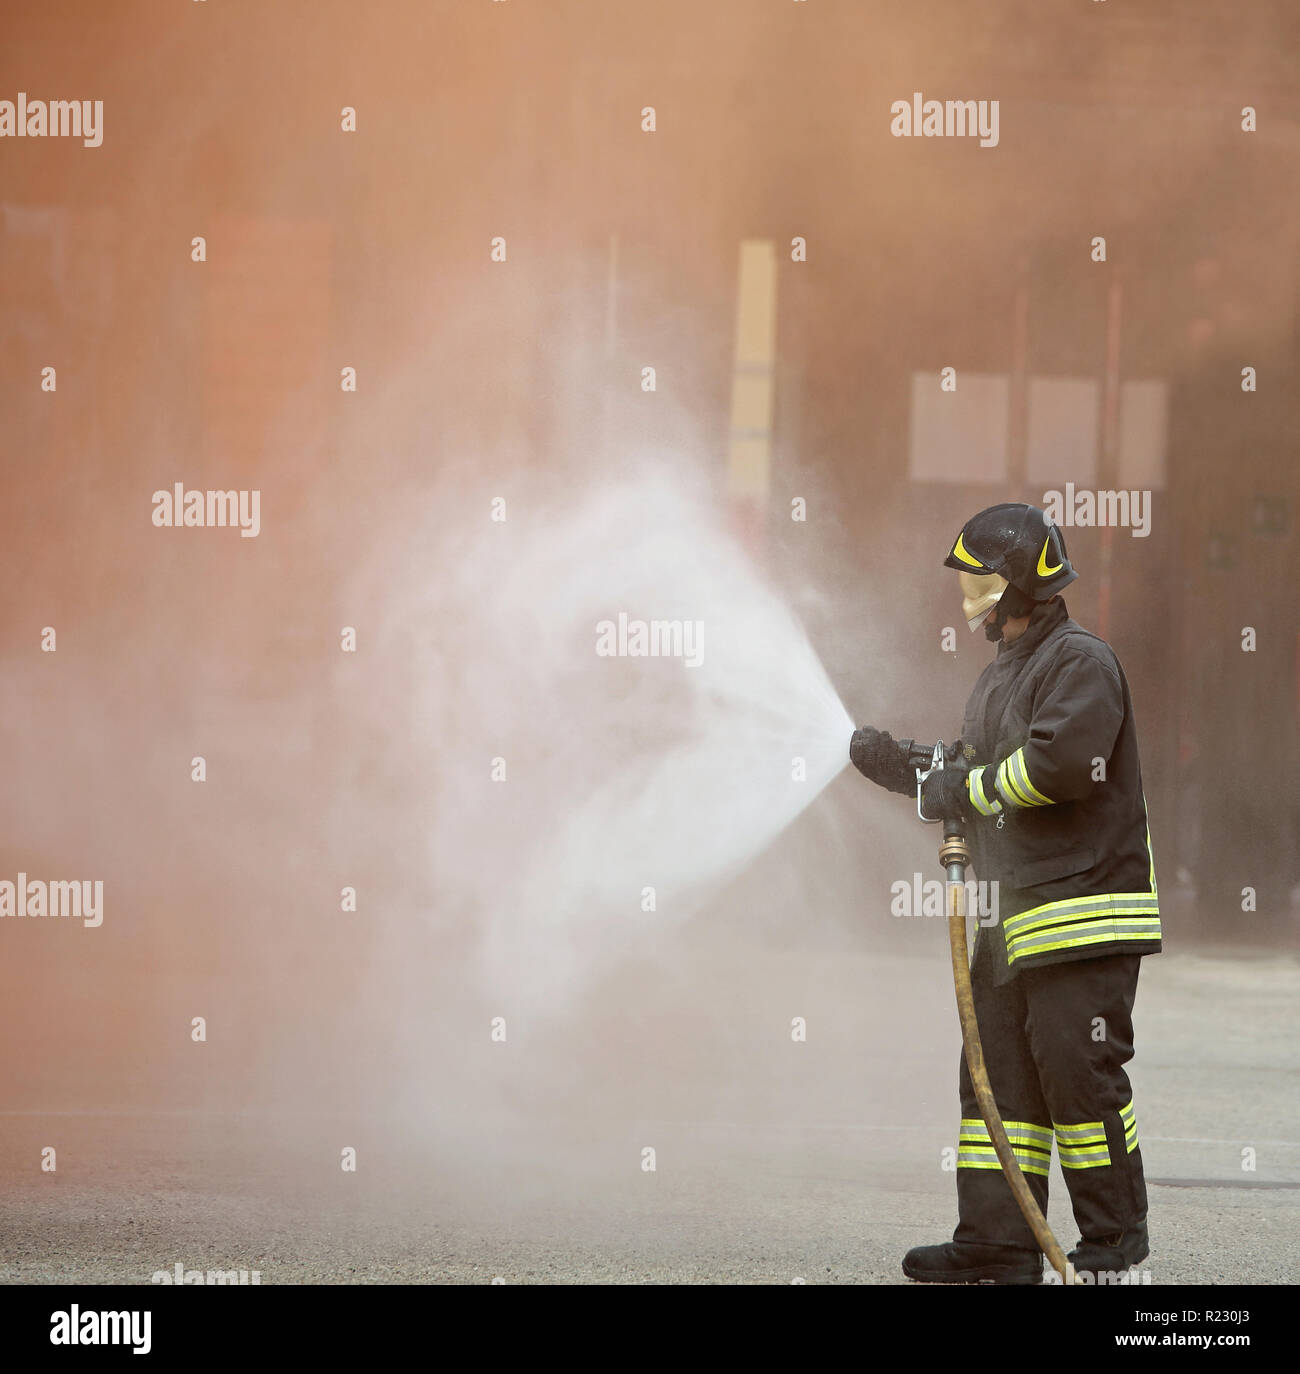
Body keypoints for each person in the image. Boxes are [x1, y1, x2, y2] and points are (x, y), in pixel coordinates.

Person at [850, 502, 1160, 1284]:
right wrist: (908, 767)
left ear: (1024, 580)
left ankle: (1110, 1250)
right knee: (1000, 1088)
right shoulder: (1005, 676)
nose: (970, 597)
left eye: (983, 579)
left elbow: (1055, 767)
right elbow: (974, 769)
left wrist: (967, 785)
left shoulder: (1080, 663)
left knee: (1078, 1080)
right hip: (1015, 921)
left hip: (1081, 916)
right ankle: (998, 1243)